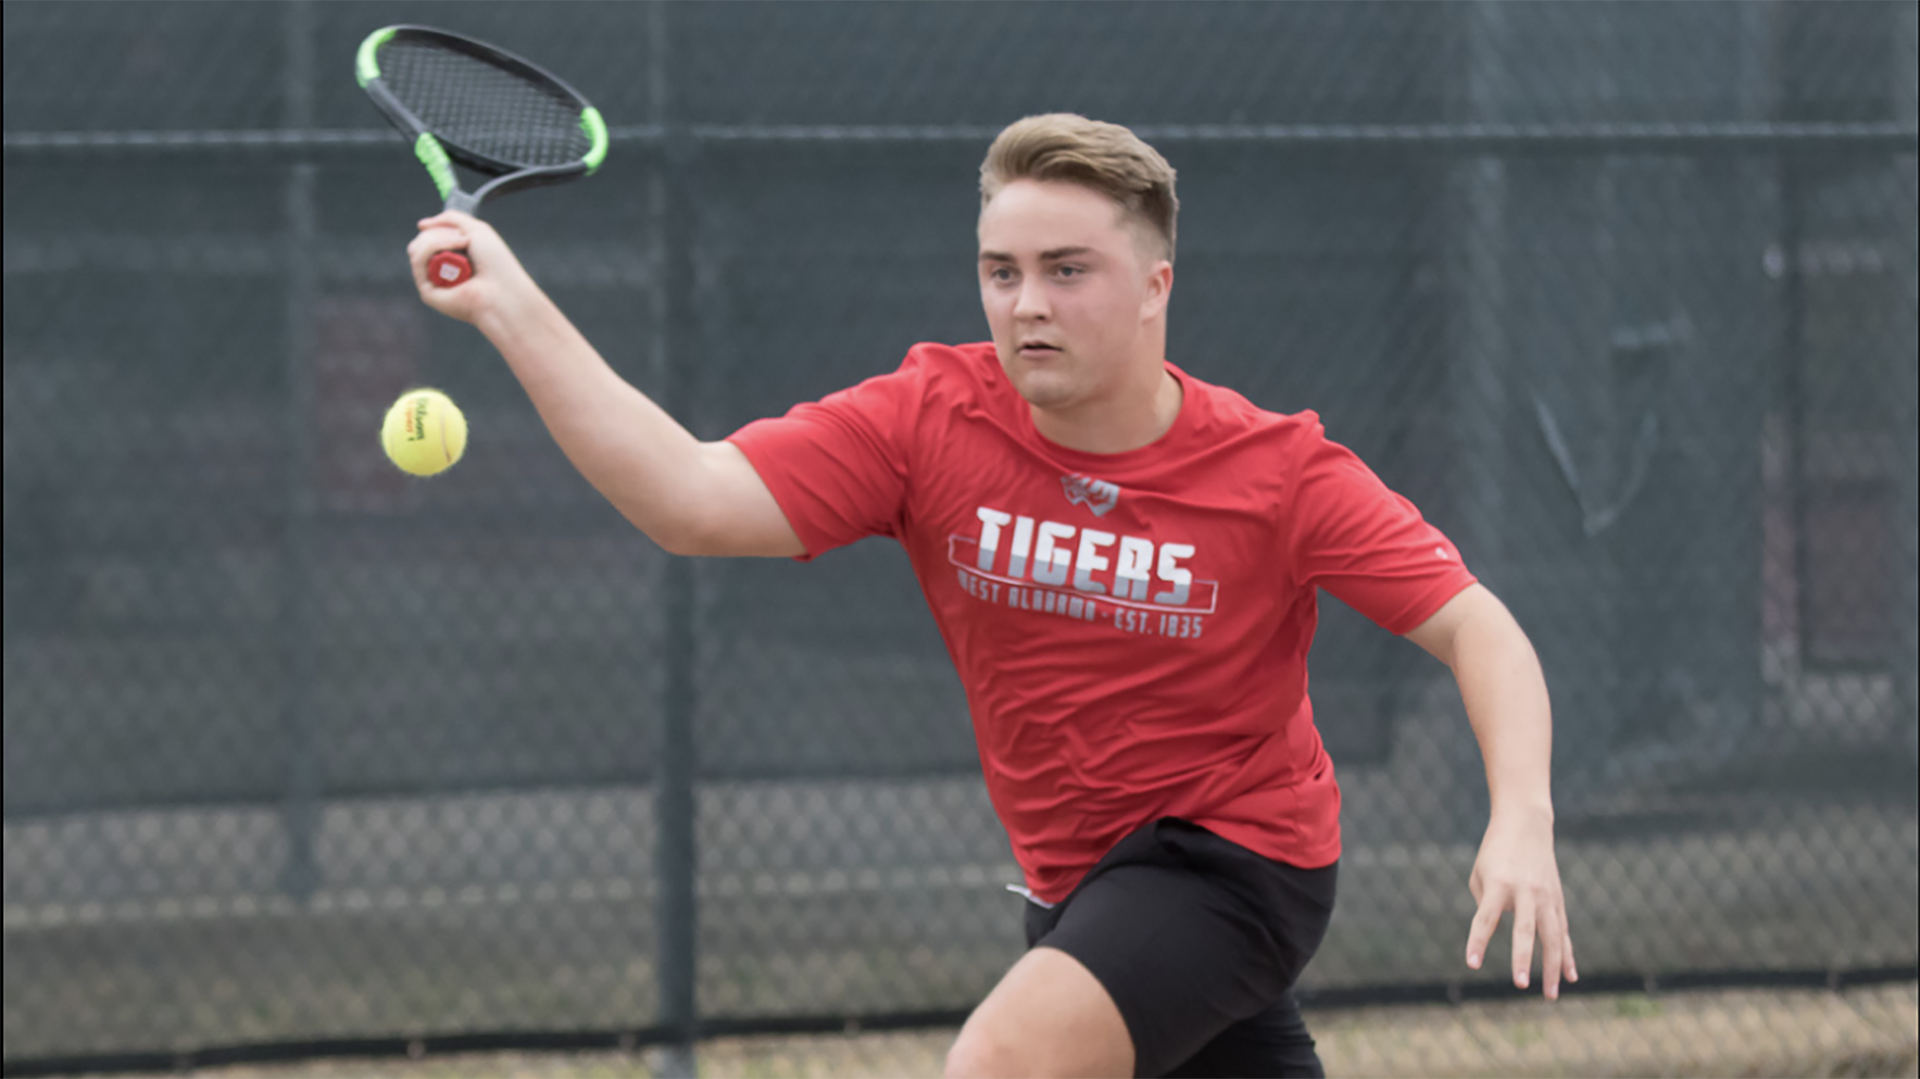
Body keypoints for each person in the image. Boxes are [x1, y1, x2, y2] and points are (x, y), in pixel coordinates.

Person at [407, 113, 1576, 1079]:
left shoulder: (1278, 472)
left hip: (1233, 860)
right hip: (1079, 881)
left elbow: (1478, 625)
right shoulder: (928, 420)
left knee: (999, 1066)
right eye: (1002, 271)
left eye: (1069, 271)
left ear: (1157, 283)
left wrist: (1520, 809)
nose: (1027, 305)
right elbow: (689, 496)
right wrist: (507, 302)